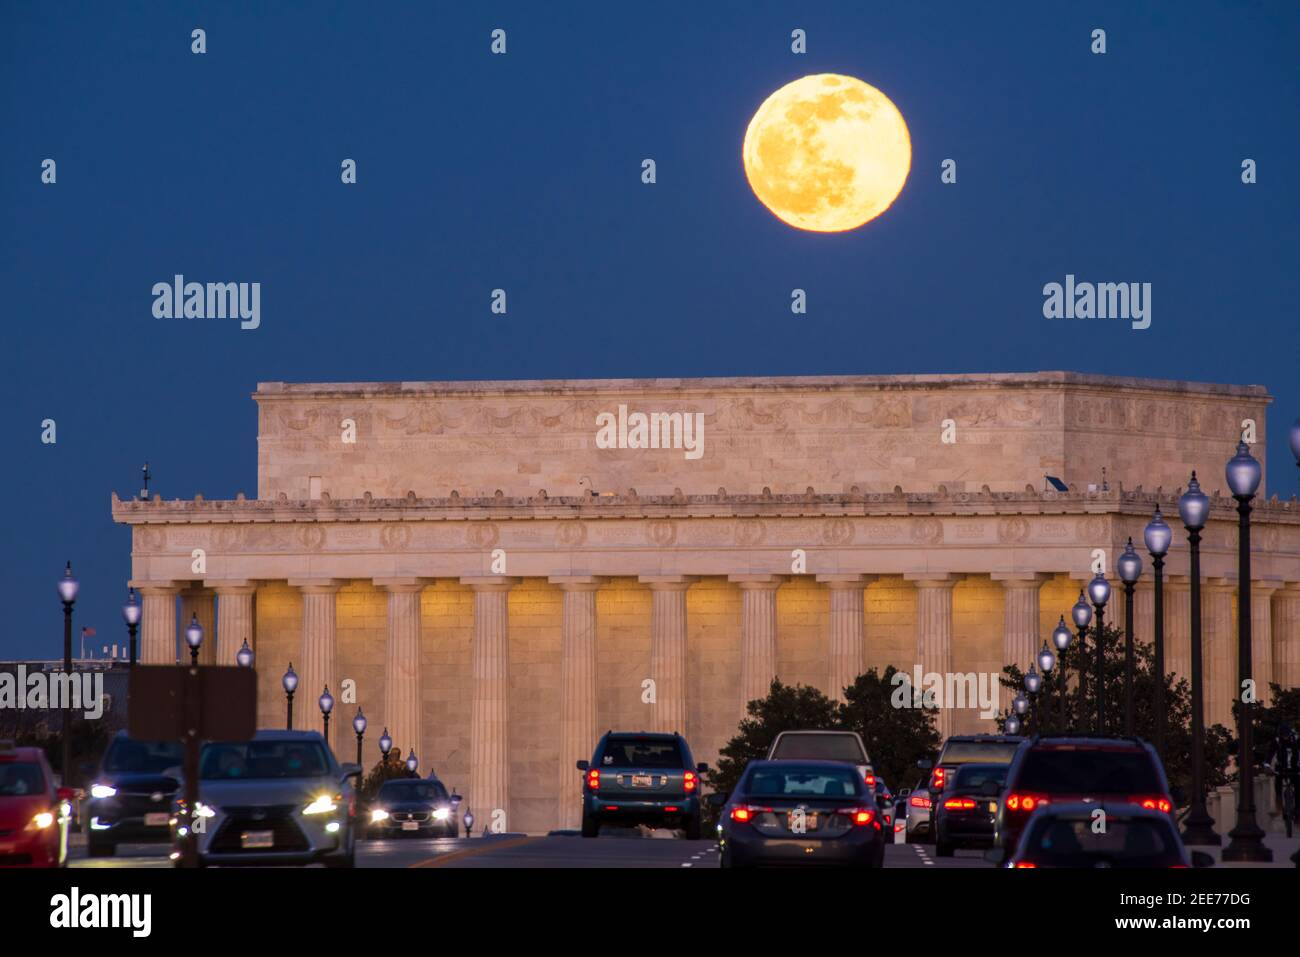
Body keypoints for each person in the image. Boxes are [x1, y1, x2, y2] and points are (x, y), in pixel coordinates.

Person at [1268, 723, 1300, 821]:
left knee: (1298, 787)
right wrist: (1267, 766)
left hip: (1296, 768)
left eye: (1286, 735)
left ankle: (1298, 810)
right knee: (1278, 786)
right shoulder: (1277, 742)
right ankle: (1280, 807)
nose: (1285, 737)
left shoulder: (1296, 740)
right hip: (1281, 768)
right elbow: (1270, 755)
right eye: (1283, 735)